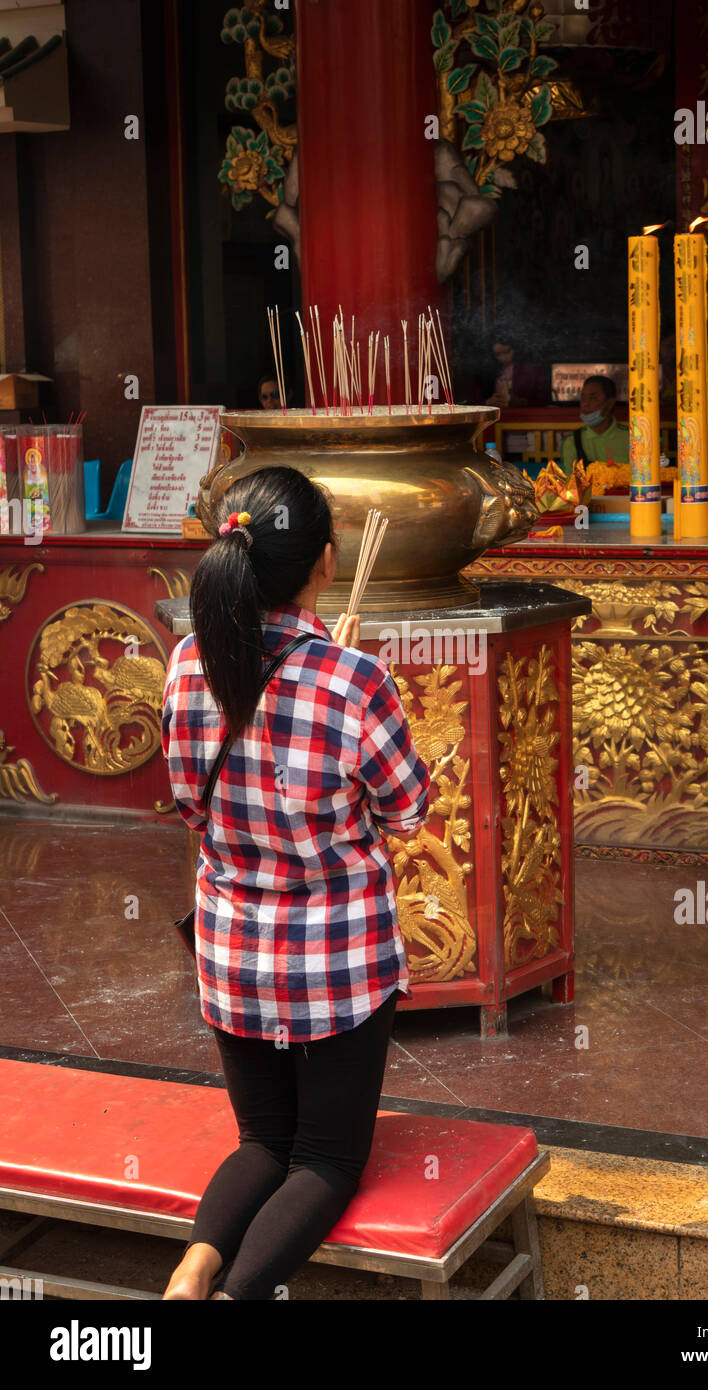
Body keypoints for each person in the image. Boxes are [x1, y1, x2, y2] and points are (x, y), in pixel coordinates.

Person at [160, 466, 429, 1301]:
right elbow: (410, 809)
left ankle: (190, 1273)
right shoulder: (353, 682)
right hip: (339, 963)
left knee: (261, 1143)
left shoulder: (182, 665)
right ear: (325, 561)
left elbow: (188, 807)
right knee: (326, 1158)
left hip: (233, 952)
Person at [560, 374, 629, 470]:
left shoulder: (631, 438)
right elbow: (570, 481)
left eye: (593, 398)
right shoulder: (572, 442)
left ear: (610, 403)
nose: (585, 403)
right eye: (583, 397)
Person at [483, 329, 547, 408]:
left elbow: (543, 400)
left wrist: (524, 403)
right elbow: (476, 401)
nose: (503, 358)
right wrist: (487, 403)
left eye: (507, 352)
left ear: (515, 348)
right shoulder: (488, 373)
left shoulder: (532, 369)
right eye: (498, 354)